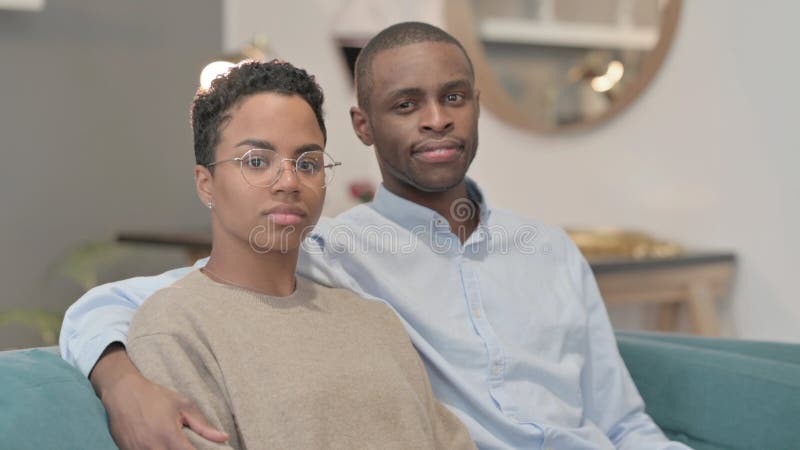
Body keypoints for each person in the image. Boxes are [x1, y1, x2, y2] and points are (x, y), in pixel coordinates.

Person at [61, 22, 690, 450]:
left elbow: (622, 421)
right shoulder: (334, 253)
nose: (437, 120)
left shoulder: (550, 251)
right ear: (363, 126)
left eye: (454, 97)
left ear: (476, 105)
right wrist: (121, 383)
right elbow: (131, 304)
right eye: (406, 104)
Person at [124, 60, 476, 450]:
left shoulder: (375, 320)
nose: (290, 182)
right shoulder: (177, 326)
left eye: (308, 163)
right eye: (257, 161)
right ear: (206, 183)